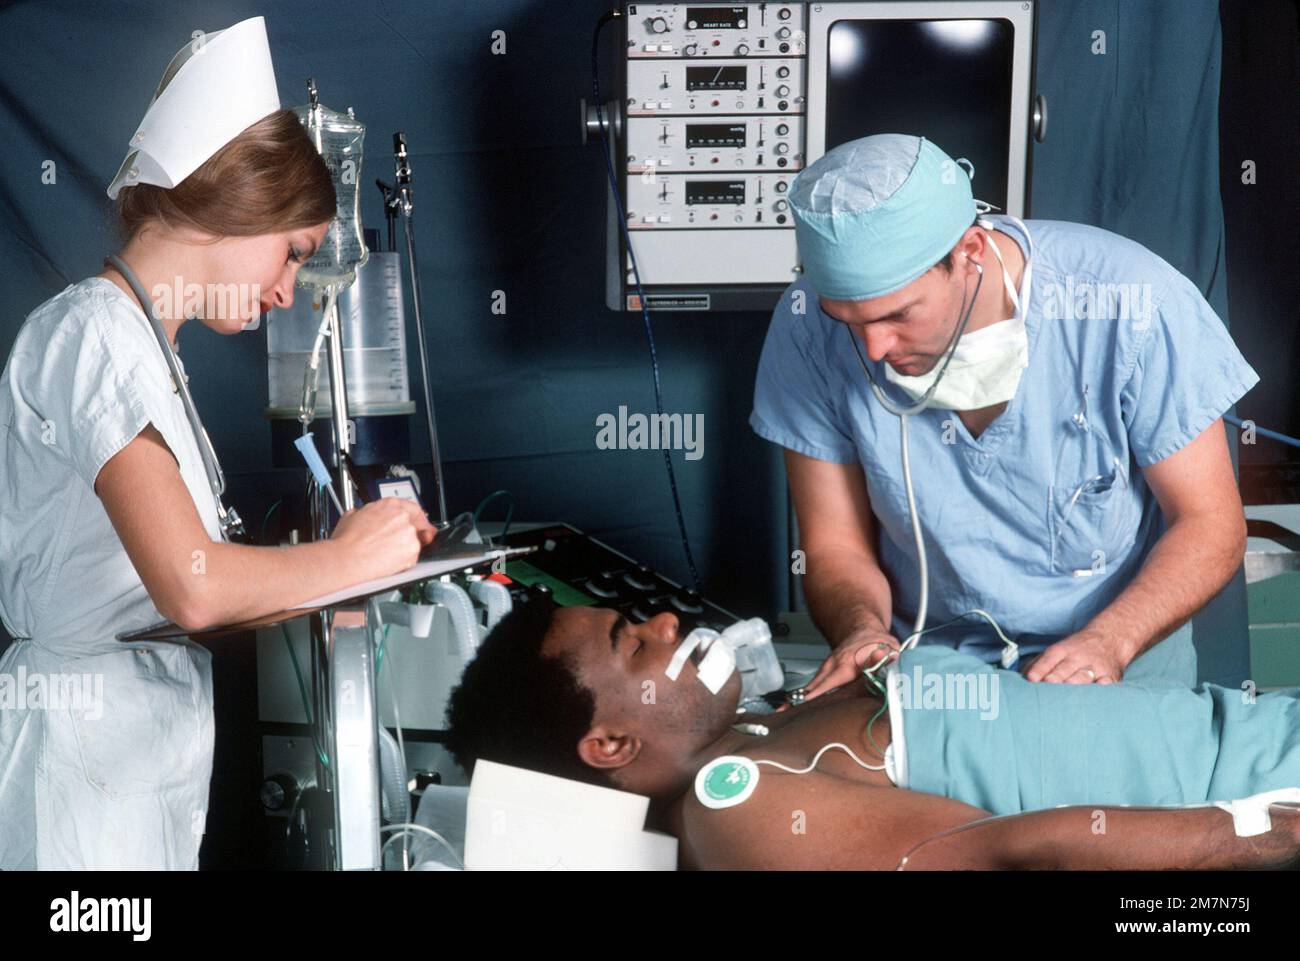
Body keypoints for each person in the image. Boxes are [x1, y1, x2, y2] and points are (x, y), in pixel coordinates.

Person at [0, 17, 433, 870]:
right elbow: (192, 588)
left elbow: (186, 594)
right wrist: (346, 557)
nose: (287, 290)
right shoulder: (94, 336)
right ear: (242, 206)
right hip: (76, 775)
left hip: (128, 761)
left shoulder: (146, 355)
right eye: (294, 253)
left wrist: (377, 565)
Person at [750, 134, 1259, 697]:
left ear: (969, 251)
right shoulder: (805, 327)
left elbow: (1210, 526)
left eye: (897, 315)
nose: (872, 348)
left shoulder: (1129, 304)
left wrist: (1109, 641)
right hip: (929, 666)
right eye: (847, 319)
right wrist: (861, 632)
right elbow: (833, 544)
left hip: (1119, 656)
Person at [443, 603, 1300, 870]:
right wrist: (1273, 830)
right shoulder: (729, 809)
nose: (668, 621)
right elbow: (1019, 853)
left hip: (1265, 732)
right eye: (635, 639)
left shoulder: (764, 731)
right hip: (1260, 788)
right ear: (611, 745)